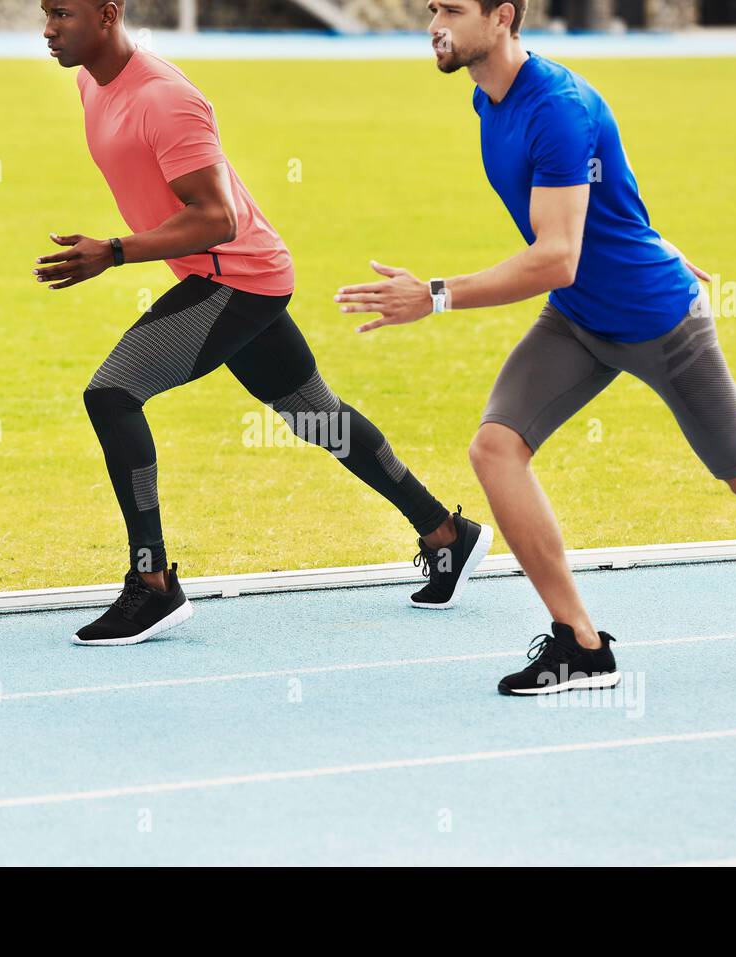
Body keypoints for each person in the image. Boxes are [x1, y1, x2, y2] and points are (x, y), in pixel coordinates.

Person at [334, 0, 736, 694]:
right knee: (495, 449)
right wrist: (647, 236)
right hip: (580, 320)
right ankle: (580, 644)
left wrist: (434, 294)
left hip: (659, 323)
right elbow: (600, 194)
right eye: (432, 7)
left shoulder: (555, 106)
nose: (434, 22)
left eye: (452, 9)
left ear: (502, 17)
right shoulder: (486, 99)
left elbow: (556, 255)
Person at [38, 0, 493, 646]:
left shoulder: (165, 100)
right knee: (320, 418)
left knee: (111, 394)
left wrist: (112, 252)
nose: (49, 28)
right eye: (44, 13)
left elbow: (218, 218)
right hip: (237, 277)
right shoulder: (91, 81)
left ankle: (154, 585)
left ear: (109, 14)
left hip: (236, 279)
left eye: (63, 13)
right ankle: (446, 535)